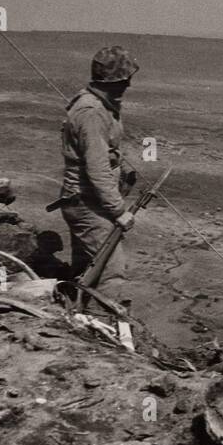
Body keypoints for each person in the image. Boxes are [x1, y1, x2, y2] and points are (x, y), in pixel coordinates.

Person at [58, 45, 140, 310]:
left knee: (87, 268)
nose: (129, 84)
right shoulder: (92, 112)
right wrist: (118, 211)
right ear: (116, 81)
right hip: (86, 204)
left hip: (87, 201)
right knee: (110, 271)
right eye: (125, 79)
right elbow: (96, 168)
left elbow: (104, 154)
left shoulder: (101, 106)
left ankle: (79, 318)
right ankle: (108, 329)